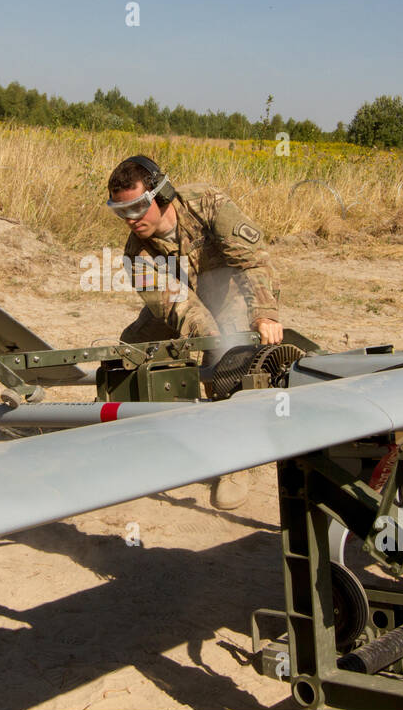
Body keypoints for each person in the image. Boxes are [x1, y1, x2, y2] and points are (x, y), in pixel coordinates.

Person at [106, 154, 282, 509]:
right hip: (186, 304)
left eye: (138, 207)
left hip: (230, 293)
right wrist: (206, 343)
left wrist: (264, 314)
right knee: (131, 353)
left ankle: (236, 460)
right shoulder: (135, 255)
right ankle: (144, 433)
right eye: (120, 211)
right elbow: (179, 307)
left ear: (161, 194)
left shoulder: (208, 204)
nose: (130, 219)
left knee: (229, 363)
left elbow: (252, 259)